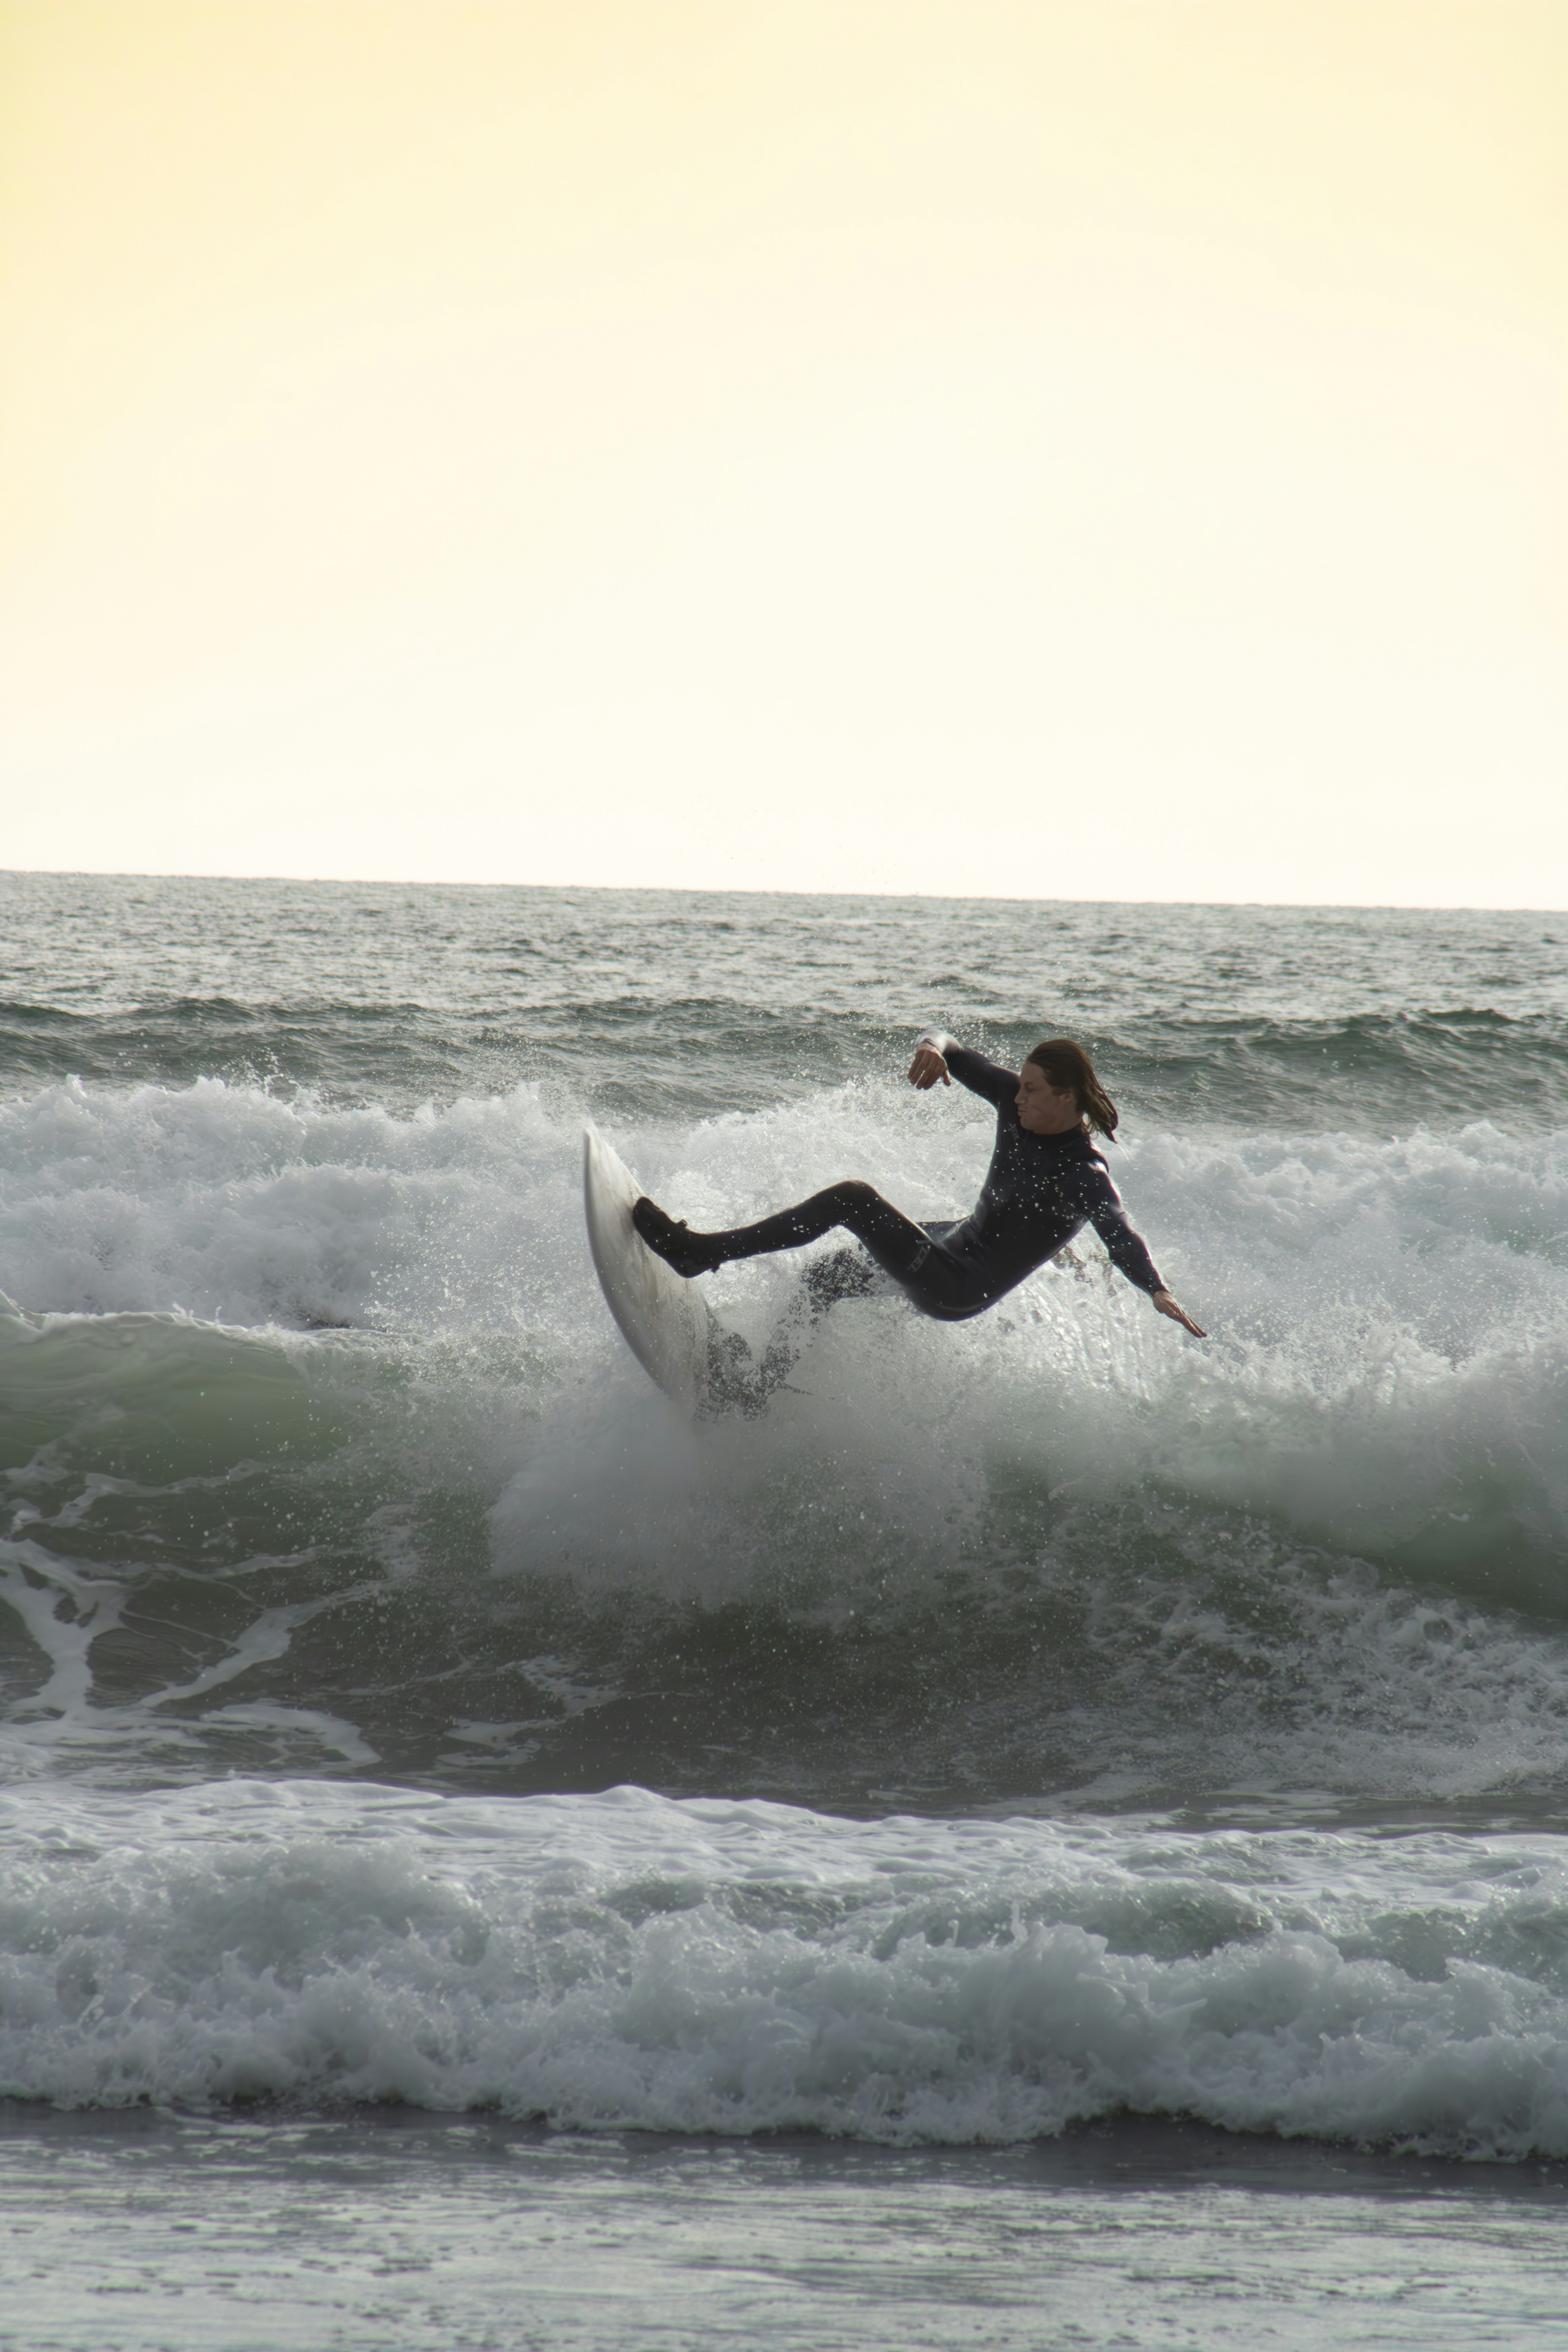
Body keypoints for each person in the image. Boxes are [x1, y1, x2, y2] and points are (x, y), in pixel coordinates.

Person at [633, 1032, 1206, 1353]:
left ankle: (701, 1253)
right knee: (825, 1278)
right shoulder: (1016, 1104)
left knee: (854, 1199)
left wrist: (1155, 1288)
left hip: (956, 1287)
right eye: (1021, 1086)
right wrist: (931, 1045)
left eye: (1033, 1090)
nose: (1018, 1097)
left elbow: (1120, 1234)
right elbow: (952, 1045)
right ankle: (761, 1388)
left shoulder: (1085, 1174)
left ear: (1067, 1097)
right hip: (949, 1244)